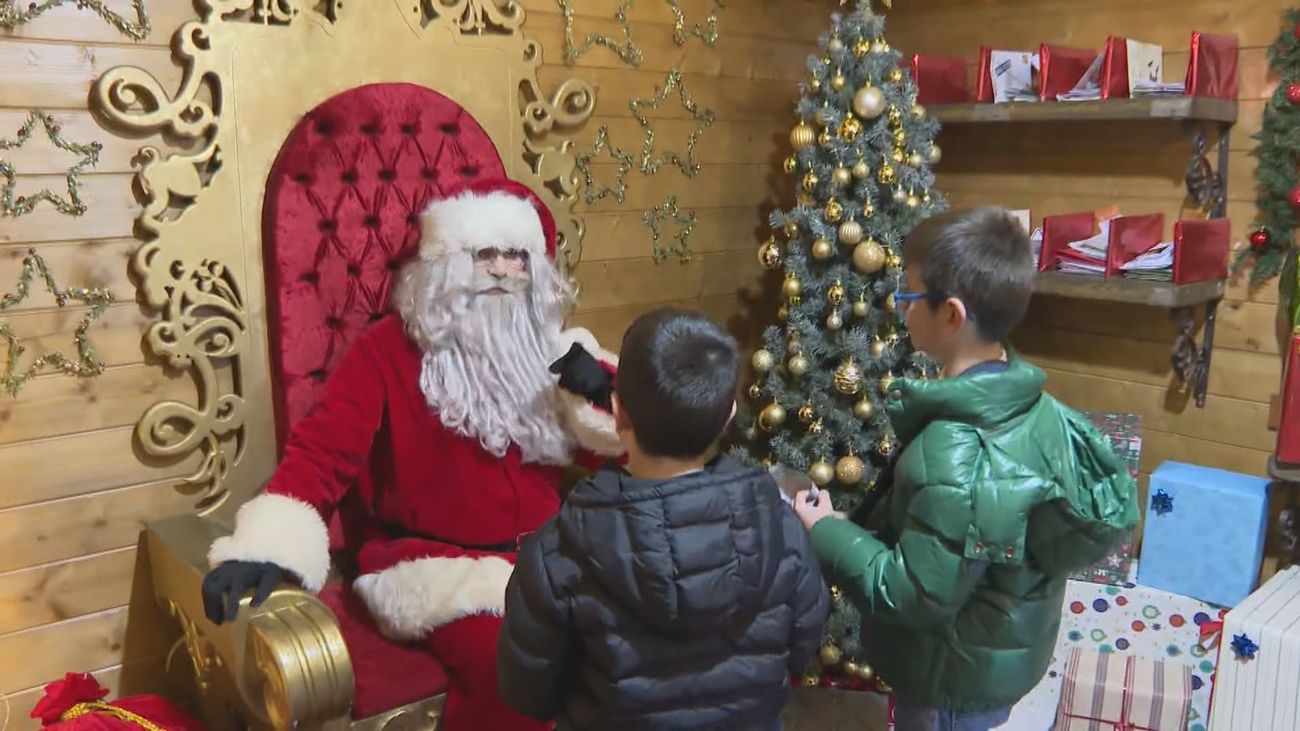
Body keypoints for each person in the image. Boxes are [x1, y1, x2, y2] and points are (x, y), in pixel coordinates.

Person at [199, 178, 623, 731]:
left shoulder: (552, 350)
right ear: (446, 265)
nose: (500, 270)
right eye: (483, 255)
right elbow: (323, 452)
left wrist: (602, 394)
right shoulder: (386, 350)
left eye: (516, 256)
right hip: (435, 568)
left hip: (545, 556)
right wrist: (266, 550)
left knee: (627, 637)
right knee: (511, 663)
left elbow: (627, 449)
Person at [793, 207, 1140, 731]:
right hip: (985, 659)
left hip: (949, 681)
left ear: (951, 315)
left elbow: (912, 594)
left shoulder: (958, 448)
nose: (901, 308)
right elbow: (952, 547)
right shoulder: (1032, 406)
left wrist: (824, 532)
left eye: (909, 296)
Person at [498, 308, 831, 731]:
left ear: (617, 413)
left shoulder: (555, 554)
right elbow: (802, 647)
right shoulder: (783, 529)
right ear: (729, 415)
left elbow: (528, 691)